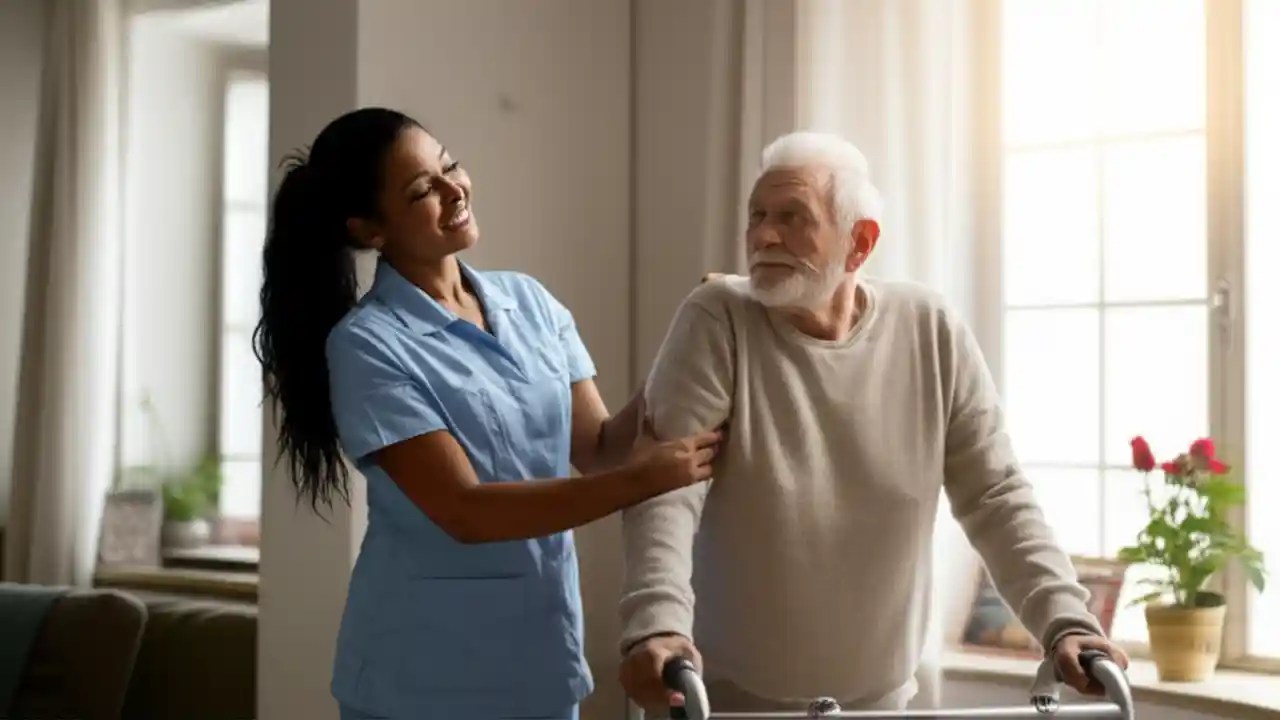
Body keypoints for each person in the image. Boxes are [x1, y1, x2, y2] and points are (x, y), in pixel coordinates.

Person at [617, 131, 1129, 715]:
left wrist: (1066, 619)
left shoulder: (928, 328)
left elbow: (996, 495)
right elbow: (667, 490)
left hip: (883, 699)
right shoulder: (717, 318)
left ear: (859, 244)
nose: (762, 235)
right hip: (726, 701)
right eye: (756, 215)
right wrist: (654, 624)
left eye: (791, 216)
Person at [252, 107, 722, 720]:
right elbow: (464, 510)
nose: (454, 190)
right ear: (371, 230)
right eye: (422, 190)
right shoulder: (368, 344)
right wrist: (641, 480)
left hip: (543, 666)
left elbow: (600, 445)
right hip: (421, 681)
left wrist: (697, 324)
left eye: (449, 166)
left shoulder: (529, 301)